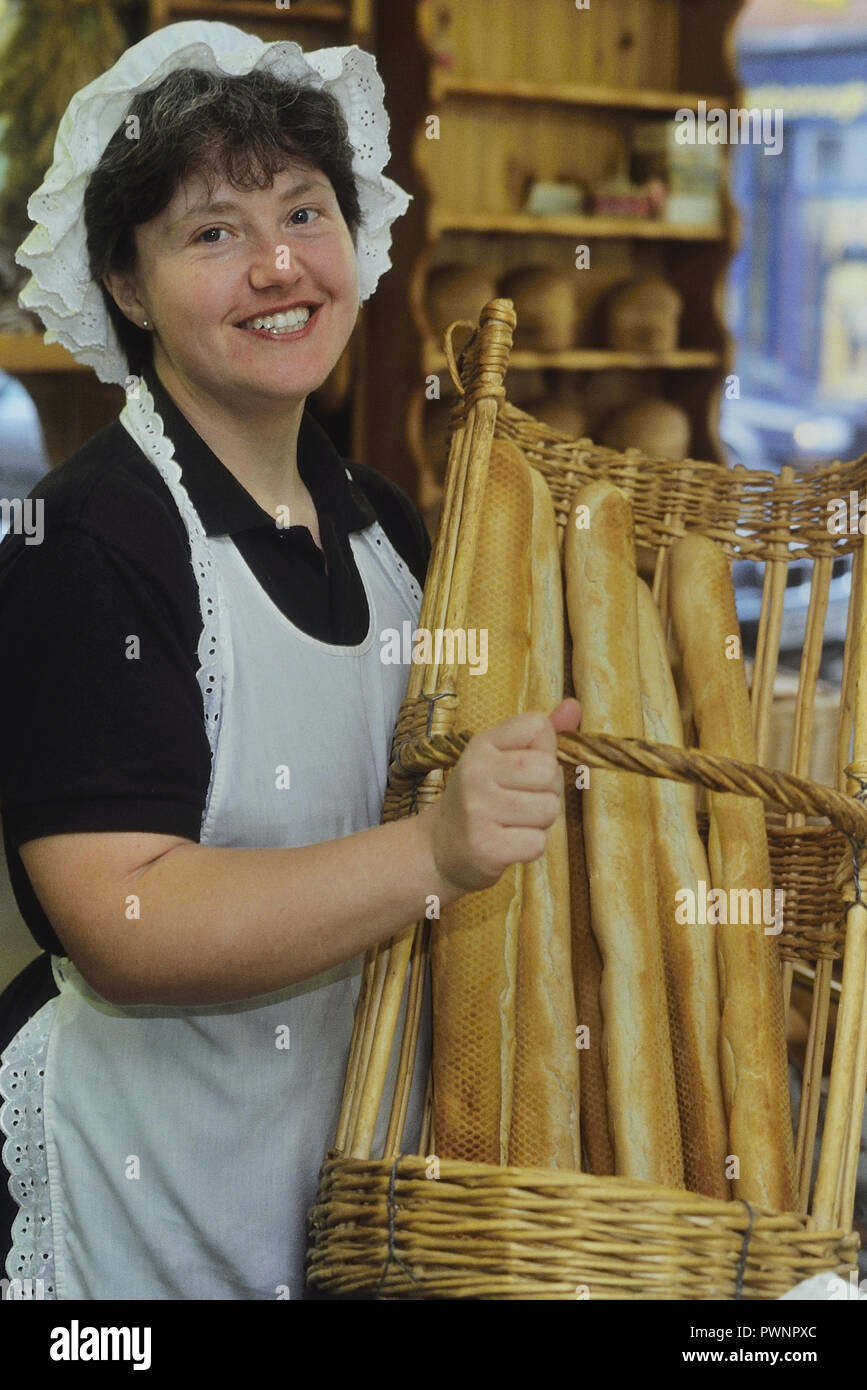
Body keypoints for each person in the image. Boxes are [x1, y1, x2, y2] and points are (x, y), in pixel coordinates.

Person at [0, 20, 580, 1300]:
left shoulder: (388, 525)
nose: (279, 265)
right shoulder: (93, 539)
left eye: (306, 213)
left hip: (337, 1192)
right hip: (143, 1222)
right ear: (127, 285)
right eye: (212, 231)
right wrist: (435, 856)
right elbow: (123, 920)